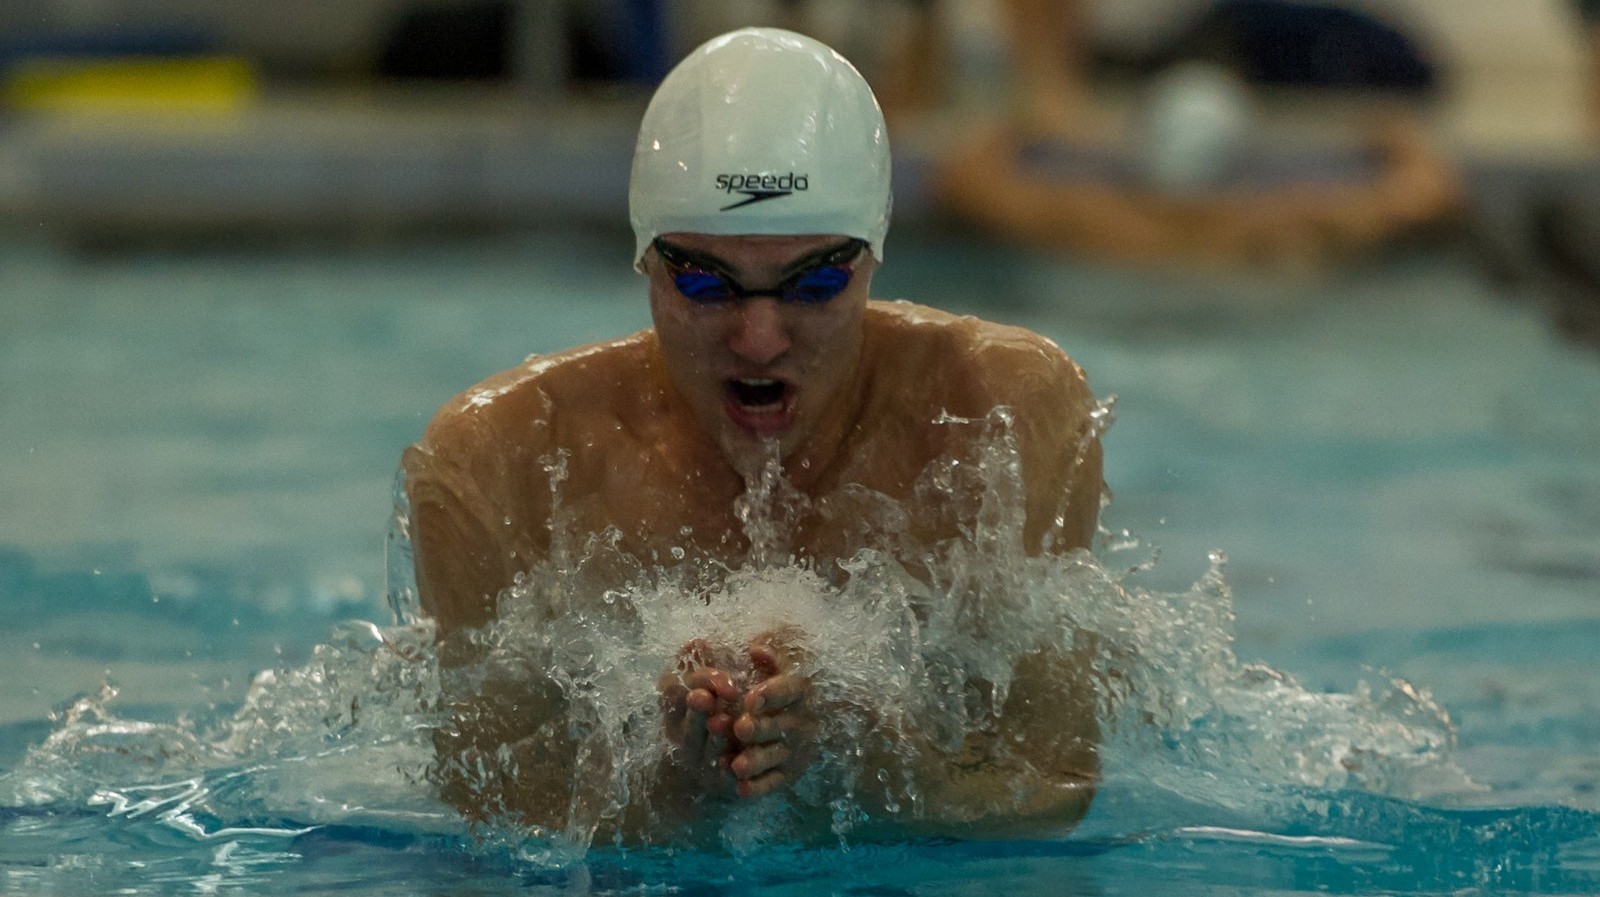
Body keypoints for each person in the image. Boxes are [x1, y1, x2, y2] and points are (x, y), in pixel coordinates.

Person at [402, 27, 1104, 841]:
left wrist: (869, 750)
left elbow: (1056, 785)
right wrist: (667, 792)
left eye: (816, 281)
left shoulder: (998, 416)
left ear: (873, 258)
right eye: (706, 282)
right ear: (646, 261)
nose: (760, 339)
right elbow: (478, 805)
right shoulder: (506, 460)